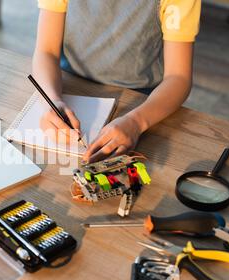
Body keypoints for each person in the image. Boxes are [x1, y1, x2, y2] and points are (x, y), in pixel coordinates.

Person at [32, 0, 201, 163]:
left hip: (142, 103)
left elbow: (179, 78)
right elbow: (46, 52)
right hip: (68, 87)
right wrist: (52, 101)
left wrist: (136, 122)